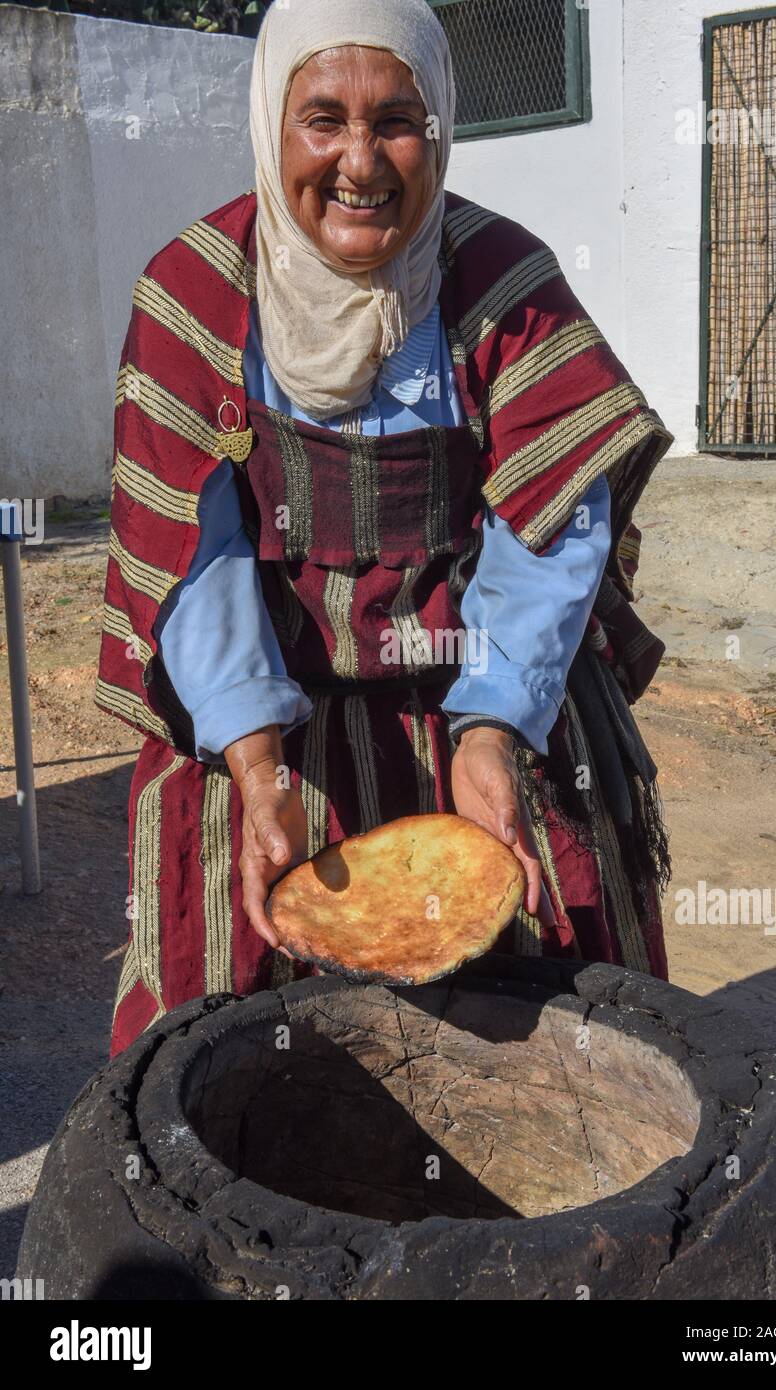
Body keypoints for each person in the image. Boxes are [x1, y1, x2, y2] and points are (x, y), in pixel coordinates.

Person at [97, 0, 674, 1058]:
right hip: (269, 716)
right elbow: (197, 560)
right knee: (233, 1018)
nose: (360, 162)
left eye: (397, 120)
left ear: (441, 126)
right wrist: (260, 764)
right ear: (273, 123)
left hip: (485, 693)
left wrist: (495, 728)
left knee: (565, 1008)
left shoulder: (503, 289)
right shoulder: (192, 297)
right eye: (323, 119)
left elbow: (550, 526)